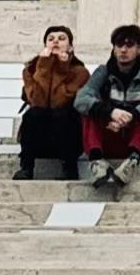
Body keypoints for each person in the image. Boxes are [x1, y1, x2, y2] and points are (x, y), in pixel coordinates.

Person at [82, 24, 140, 195]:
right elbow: (82, 99)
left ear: (139, 49)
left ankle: (131, 163)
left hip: (135, 138)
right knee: (89, 110)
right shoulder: (102, 72)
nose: (123, 50)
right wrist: (110, 113)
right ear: (114, 48)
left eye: (129, 45)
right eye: (119, 45)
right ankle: (97, 163)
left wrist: (132, 116)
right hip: (109, 134)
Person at [16, 23, 87, 180]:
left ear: (70, 47)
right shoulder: (30, 71)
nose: (55, 41)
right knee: (33, 114)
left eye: (61, 39)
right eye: (51, 39)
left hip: (67, 137)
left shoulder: (80, 72)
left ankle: (69, 169)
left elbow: (59, 101)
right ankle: (26, 168)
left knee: (63, 113)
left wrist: (62, 68)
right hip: (40, 138)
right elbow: (38, 101)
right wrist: (43, 67)